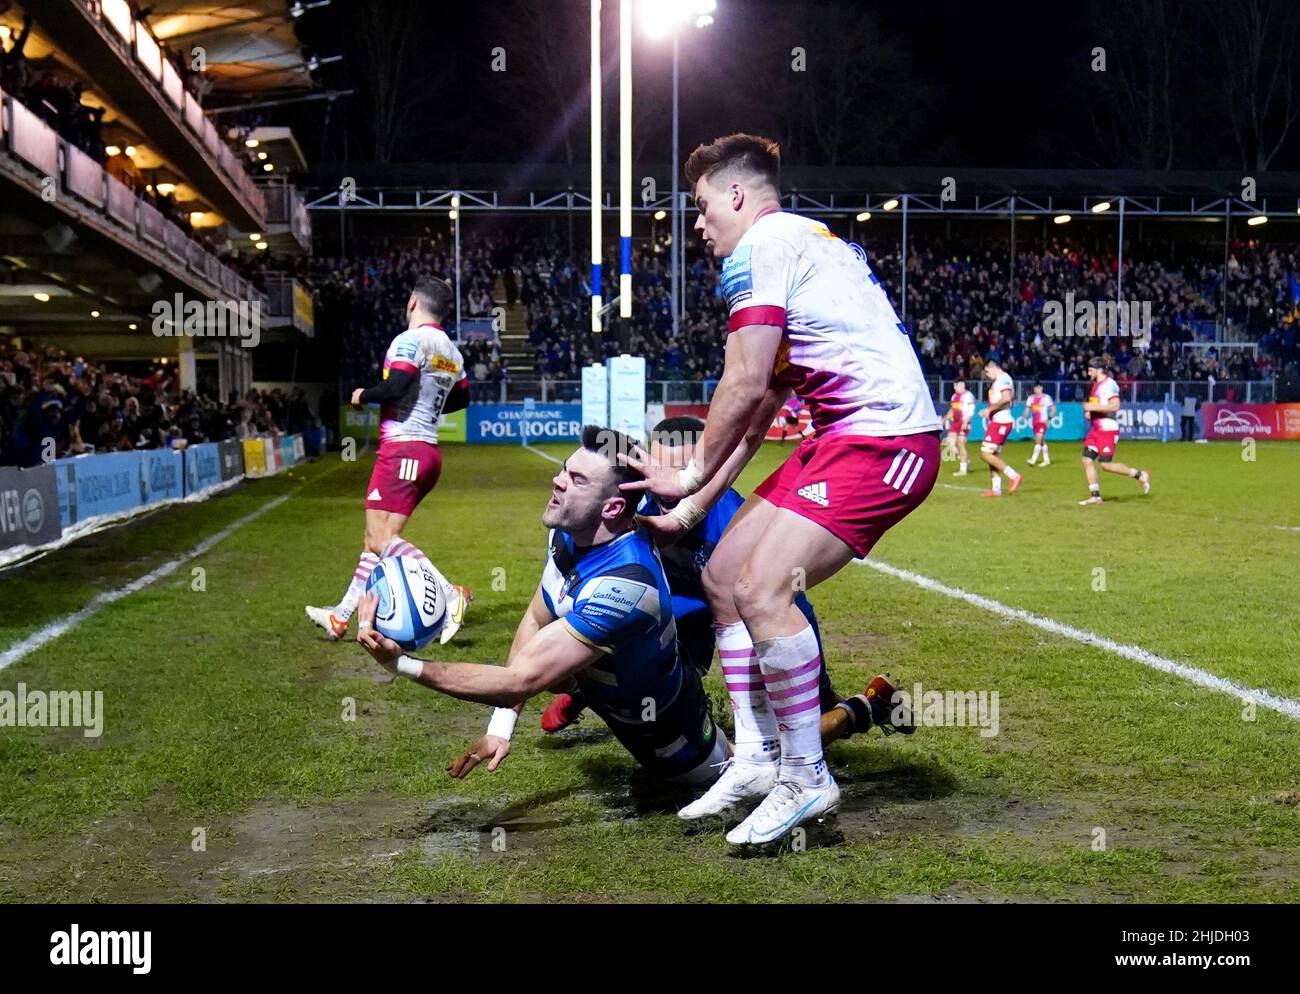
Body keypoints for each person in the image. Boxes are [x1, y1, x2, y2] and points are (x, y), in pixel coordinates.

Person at [620, 134, 941, 846]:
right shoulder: (805, 246)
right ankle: (760, 758)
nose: (699, 226)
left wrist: (691, 470)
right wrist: (698, 505)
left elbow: (742, 382)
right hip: (844, 437)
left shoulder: (762, 247)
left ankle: (805, 773)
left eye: (702, 208)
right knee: (725, 573)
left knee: (765, 589)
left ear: (737, 195)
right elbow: (762, 408)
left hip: (884, 440)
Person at [355, 426, 907, 792]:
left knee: (770, 749)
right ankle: (586, 680)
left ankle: (857, 709)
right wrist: (504, 722)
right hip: (659, 619)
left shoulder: (716, 529)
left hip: (687, 629)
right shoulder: (576, 539)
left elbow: (787, 598)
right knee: (579, 653)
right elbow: (535, 616)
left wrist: (817, 686)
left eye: (576, 479)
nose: (654, 480)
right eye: (645, 466)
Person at [539, 416, 907, 754]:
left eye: (681, 472)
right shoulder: (630, 505)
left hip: (733, 613)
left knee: (777, 729)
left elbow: (786, 601)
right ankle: (592, 689)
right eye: (658, 470)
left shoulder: (738, 522)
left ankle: (857, 710)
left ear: (705, 471)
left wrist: (812, 680)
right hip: (672, 614)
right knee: (589, 661)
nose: (666, 485)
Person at [306, 277, 473, 644]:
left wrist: (363, 394)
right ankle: (340, 616)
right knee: (376, 540)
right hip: (427, 452)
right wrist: (428, 399)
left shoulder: (409, 340)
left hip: (403, 450)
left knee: (380, 537)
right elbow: (461, 399)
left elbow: (395, 388)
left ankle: (448, 593)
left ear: (413, 302)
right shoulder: (451, 350)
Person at [1079, 355, 1151, 505]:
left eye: (1090, 370)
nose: (1088, 373)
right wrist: (1090, 413)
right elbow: (1099, 407)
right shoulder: (1095, 386)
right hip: (1096, 428)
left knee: (1105, 465)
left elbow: (1115, 406)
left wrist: (1093, 408)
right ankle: (1095, 495)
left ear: (1099, 370)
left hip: (1107, 429)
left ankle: (1140, 475)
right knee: (1086, 459)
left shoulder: (1109, 384)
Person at [977, 351, 1023, 497]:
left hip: (1001, 422)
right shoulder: (999, 381)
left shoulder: (1003, 379)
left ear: (992, 366)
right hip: (998, 421)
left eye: (987, 371)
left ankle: (1014, 475)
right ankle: (996, 489)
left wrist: (988, 410)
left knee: (985, 454)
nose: (987, 374)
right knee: (993, 455)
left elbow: (1006, 398)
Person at [943, 378, 976, 475]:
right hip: (955, 423)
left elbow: (971, 410)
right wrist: (944, 419)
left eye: (957, 385)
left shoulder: (968, 396)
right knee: (950, 443)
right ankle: (965, 459)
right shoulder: (954, 396)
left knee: (960, 444)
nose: (956, 387)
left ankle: (963, 470)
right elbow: (953, 410)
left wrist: (966, 422)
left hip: (964, 422)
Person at [1024, 382, 1056, 466]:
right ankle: (1047, 460)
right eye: (1035, 388)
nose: (1037, 389)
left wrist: (1049, 418)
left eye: (1038, 387)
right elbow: (1027, 409)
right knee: (1042, 441)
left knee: (1038, 439)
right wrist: (1024, 417)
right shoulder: (1030, 398)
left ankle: (1033, 460)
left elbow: (1053, 409)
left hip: (1043, 422)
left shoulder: (1046, 398)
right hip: (1034, 422)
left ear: (1042, 388)